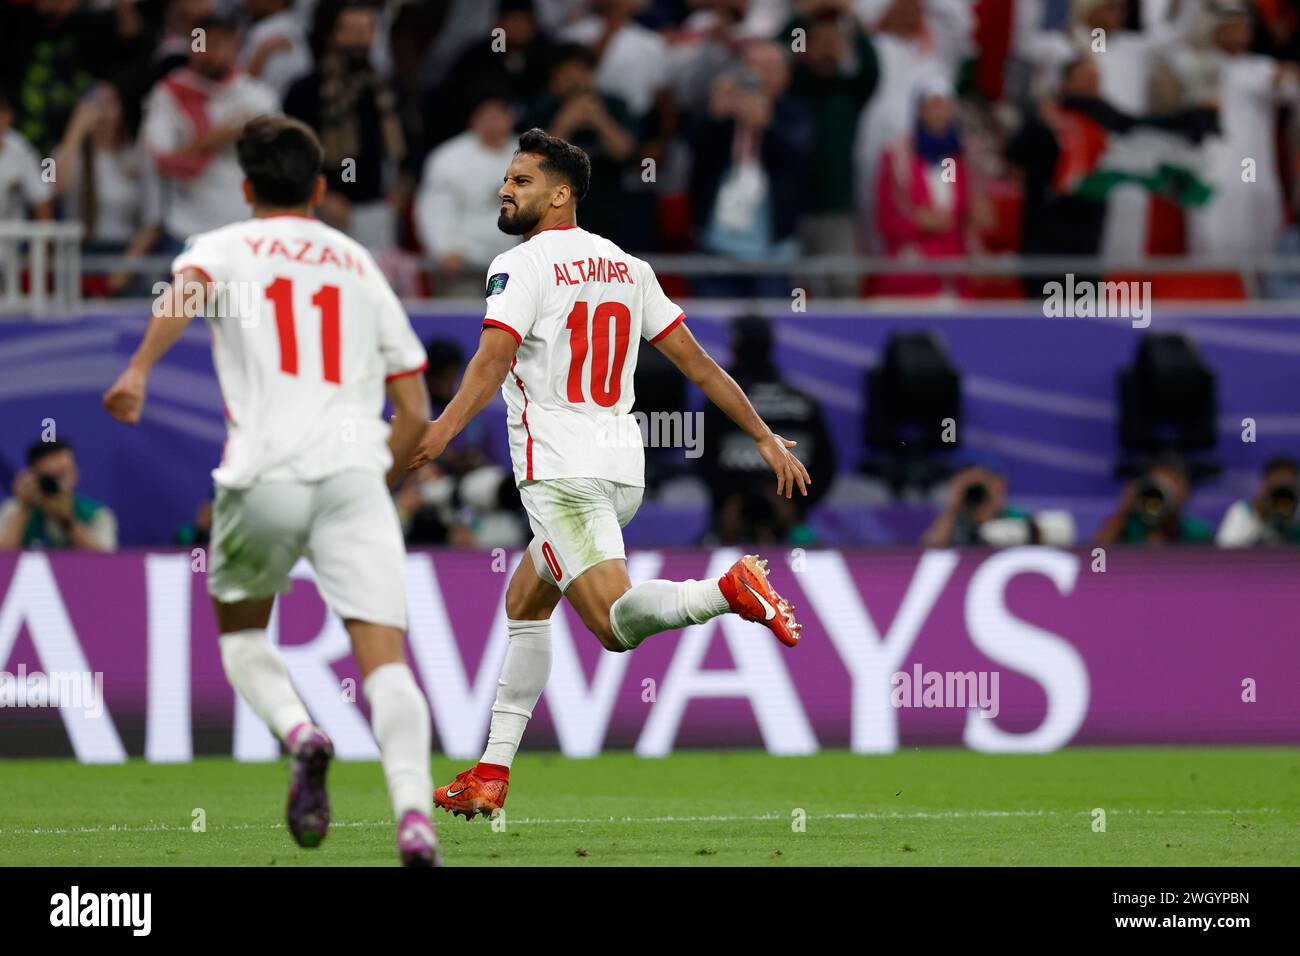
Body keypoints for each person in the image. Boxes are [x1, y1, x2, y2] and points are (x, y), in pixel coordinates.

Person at [406, 128, 810, 820]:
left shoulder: (520, 265)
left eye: (522, 181)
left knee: (614, 627)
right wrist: (766, 437)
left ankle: (726, 589)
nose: (506, 189)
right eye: (507, 179)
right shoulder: (629, 267)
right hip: (620, 472)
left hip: (559, 473)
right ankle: (490, 773)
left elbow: (494, 357)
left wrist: (442, 427)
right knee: (527, 604)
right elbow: (699, 366)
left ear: (560, 195)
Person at [102, 115, 440, 867]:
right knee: (386, 662)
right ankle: (414, 818)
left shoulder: (222, 247)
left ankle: (300, 732)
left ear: (247, 187)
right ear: (321, 188)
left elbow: (182, 295)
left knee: (244, 633)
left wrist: (138, 372)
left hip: (262, 472)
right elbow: (415, 410)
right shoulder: (359, 263)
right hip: (354, 473)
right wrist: (373, 483)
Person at [700, 315, 835, 545]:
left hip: (767, 522)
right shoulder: (803, 401)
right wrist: (797, 503)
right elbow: (826, 464)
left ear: (735, 348)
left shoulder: (719, 403)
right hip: (753, 518)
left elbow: (701, 457)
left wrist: (729, 499)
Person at [414, 91, 519, 296]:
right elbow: (435, 209)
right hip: (464, 265)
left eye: (498, 116)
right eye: (486, 117)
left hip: (514, 266)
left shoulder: (528, 154)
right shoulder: (449, 158)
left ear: (510, 118)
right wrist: (443, 250)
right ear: (474, 121)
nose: (493, 124)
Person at [0, 439, 117, 552]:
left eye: (63, 474)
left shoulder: (97, 514)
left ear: (76, 474)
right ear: (33, 476)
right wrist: (24, 509)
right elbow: (3, 557)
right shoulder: (13, 510)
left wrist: (67, 521)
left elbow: (106, 562)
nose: (57, 484)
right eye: (50, 477)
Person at [1094, 456, 1213, 545]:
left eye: (1172, 484)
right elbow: (1097, 558)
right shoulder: (1129, 527)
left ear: (1186, 492)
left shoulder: (1197, 533)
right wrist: (1125, 507)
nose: (1163, 493)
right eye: (1158, 485)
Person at [1216, 456, 1300, 547]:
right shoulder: (1243, 510)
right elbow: (1226, 550)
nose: (1283, 494)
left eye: (1289, 485)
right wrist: (1259, 516)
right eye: (1277, 484)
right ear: (1264, 483)